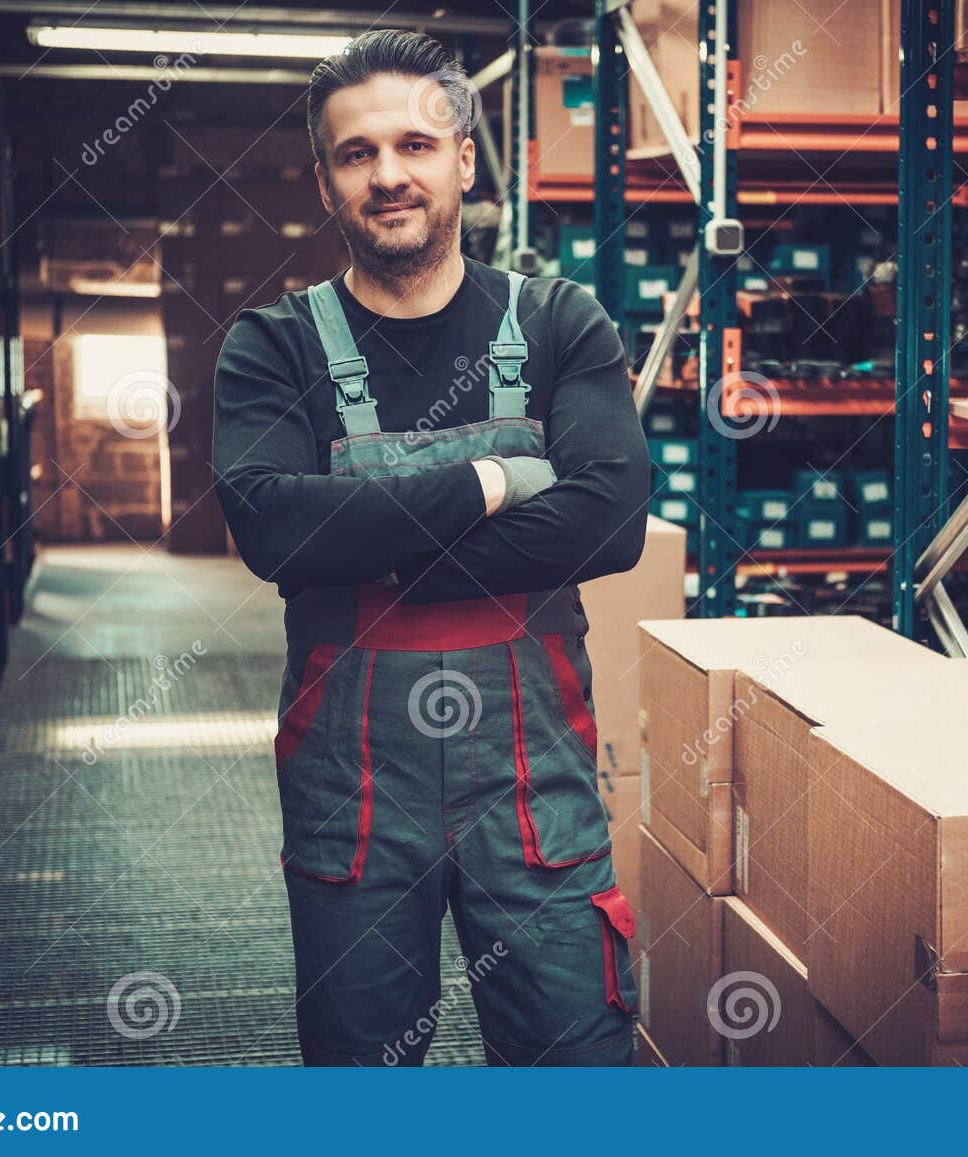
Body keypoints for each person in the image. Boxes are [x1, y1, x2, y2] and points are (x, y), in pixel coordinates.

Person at [212, 28, 649, 1067]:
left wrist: (370, 547)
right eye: (356, 153)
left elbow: (610, 518)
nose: (387, 174)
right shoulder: (272, 346)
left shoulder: (559, 322)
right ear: (326, 179)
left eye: (414, 144)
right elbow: (272, 526)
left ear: (463, 159)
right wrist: (492, 483)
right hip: (354, 792)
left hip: (532, 786)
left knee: (574, 1065)